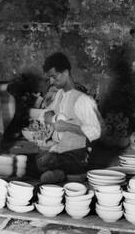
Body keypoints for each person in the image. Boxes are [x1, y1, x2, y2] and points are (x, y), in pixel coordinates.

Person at [31, 53, 102, 182]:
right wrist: (49, 115)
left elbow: (96, 131)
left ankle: (72, 174)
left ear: (65, 72)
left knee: (43, 162)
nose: (51, 81)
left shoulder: (83, 99)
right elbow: (46, 114)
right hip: (61, 150)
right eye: (50, 78)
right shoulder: (60, 94)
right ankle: (64, 175)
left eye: (54, 77)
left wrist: (67, 126)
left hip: (78, 154)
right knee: (32, 160)